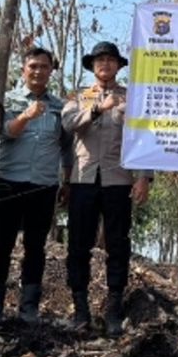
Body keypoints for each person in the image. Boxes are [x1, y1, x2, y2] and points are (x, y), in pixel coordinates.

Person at [61, 41, 151, 338]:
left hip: (119, 179)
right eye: (100, 60)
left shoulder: (132, 98)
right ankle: (80, 309)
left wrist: (143, 177)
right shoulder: (78, 96)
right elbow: (69, 125)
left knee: (118, 244)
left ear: (119, 66)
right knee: (78, 245)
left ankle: (114, 308)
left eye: (111, 60)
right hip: (83, 178)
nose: (105, 64)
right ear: (92, 65)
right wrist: (98, 109)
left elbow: (143, 137)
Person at [0, 47, 72, 326]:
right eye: (32, 66)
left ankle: (29, 307)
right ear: (23, 70)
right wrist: (26, 116)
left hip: (44, 185)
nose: (38, 71)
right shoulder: (6, 100)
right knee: (2, 244)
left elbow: (66, 147)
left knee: (36, 247)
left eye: (44, 67)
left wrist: (66, 181)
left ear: (51, 71)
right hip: (9, 181)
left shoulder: (60, 106)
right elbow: (5, 134)